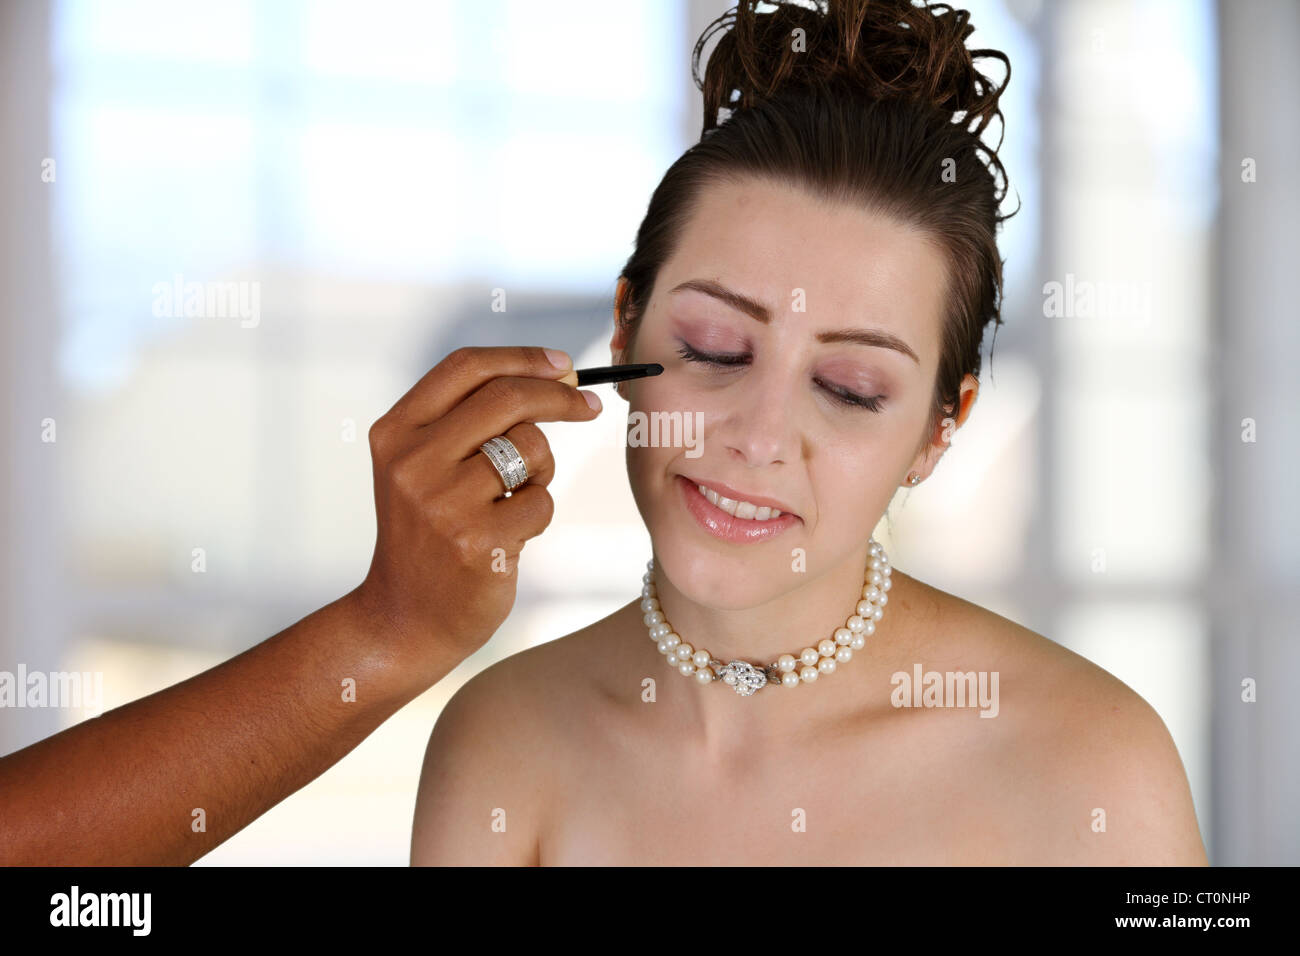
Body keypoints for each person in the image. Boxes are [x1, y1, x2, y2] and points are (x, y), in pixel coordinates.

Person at [410, 0, 1210, 865]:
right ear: (625, 324)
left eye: (850, 389)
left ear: (942, 431)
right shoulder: (501, 741)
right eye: (713, 347)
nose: (760, 436)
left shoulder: (1094, 764)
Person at [0, 346, 603, 865]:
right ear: (625, 326)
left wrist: (392, 632)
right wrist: (390, 632)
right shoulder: (506, 737)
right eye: (694, 349)